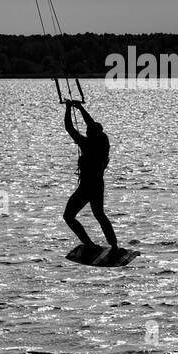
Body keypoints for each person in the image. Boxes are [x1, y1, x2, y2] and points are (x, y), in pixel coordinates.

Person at [62, 100, 119, 250]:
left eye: (88, 132)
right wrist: (80, 108)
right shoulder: (103, 141)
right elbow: (91, 124)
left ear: (90, 134)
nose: (86, 132)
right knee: (99, 214)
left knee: (68, 216)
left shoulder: (86, 144)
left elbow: (69, 128)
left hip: (87, 187)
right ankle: (114, 245)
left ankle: (89, 244)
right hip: (98, 185)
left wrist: (68, 109)